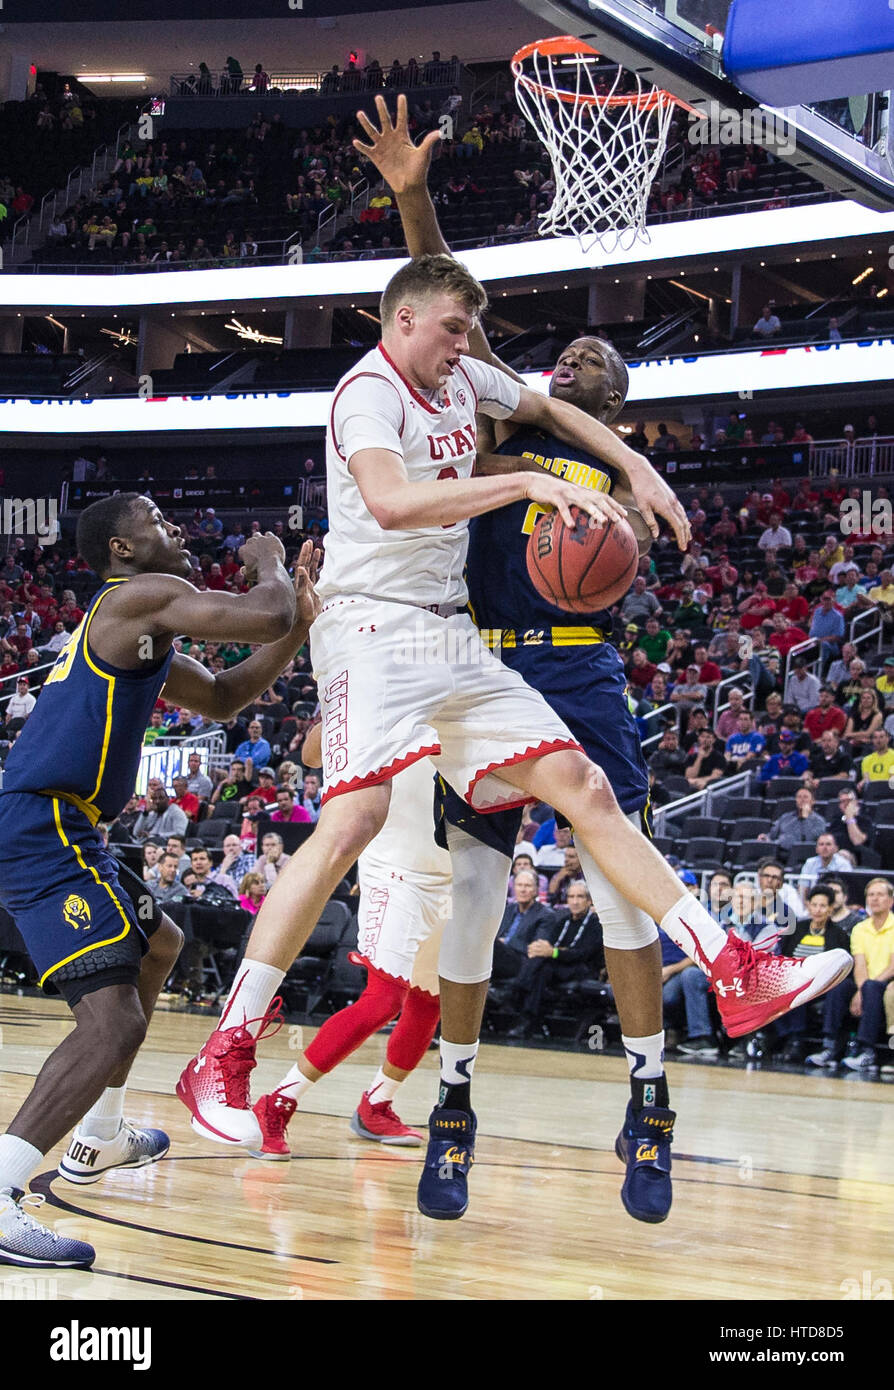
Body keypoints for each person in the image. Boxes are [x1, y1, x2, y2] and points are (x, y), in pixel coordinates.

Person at [177, 98, 850, 1236]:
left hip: (506, 652)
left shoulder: (491, 396)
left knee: (591, 806)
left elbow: (505, 366)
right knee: (371, 845)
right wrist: (407, 200)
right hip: (390, 627)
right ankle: (278, 1060)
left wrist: (636, 468)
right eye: (461, 337)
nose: (556, 359)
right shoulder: (395, 391)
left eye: (594, 360)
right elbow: (419, 381)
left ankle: (716, 988)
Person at [0, 495, 319, 1268]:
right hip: (45, 826)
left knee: (159, 944)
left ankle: (100, 1137)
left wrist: (302, 624)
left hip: (74, 827)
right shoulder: (136, 598)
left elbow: (221, 696)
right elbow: (264, 613)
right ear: (122, 548)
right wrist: (268, 563)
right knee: (110, 1024)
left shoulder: (143, 624)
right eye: (154, 518)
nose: (173, 526)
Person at [251, 753, 451, 1154]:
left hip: (454, 874)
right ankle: (276, 1103)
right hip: (396, 871)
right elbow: (311, 750)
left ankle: (377, 1104)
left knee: (430, 1001)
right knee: (383, 999)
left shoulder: (485, 702)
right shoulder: (395, 696)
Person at [807, 879, 894, 1070]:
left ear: (890, 900)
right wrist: (861, 990)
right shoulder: (860, 928)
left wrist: (865, 989)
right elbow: (859, 964)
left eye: (880, 895)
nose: (874, 899)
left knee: (872, 987)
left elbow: (892, 967)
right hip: (865, 983)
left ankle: (867, 1050)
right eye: (870, 895)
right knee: (840, 985)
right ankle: (829, 1046)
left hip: (887, 982)